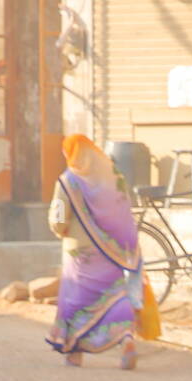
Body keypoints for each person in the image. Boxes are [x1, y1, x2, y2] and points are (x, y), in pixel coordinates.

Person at [46, 134, 140, 369]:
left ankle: (74, 351)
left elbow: (58, 219)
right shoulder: (114, 178)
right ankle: (126, 337)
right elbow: (125, 213)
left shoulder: (69, 181)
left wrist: (61, 231)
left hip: (80, 254)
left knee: (76, 302)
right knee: (115, 295)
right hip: (112, 252)